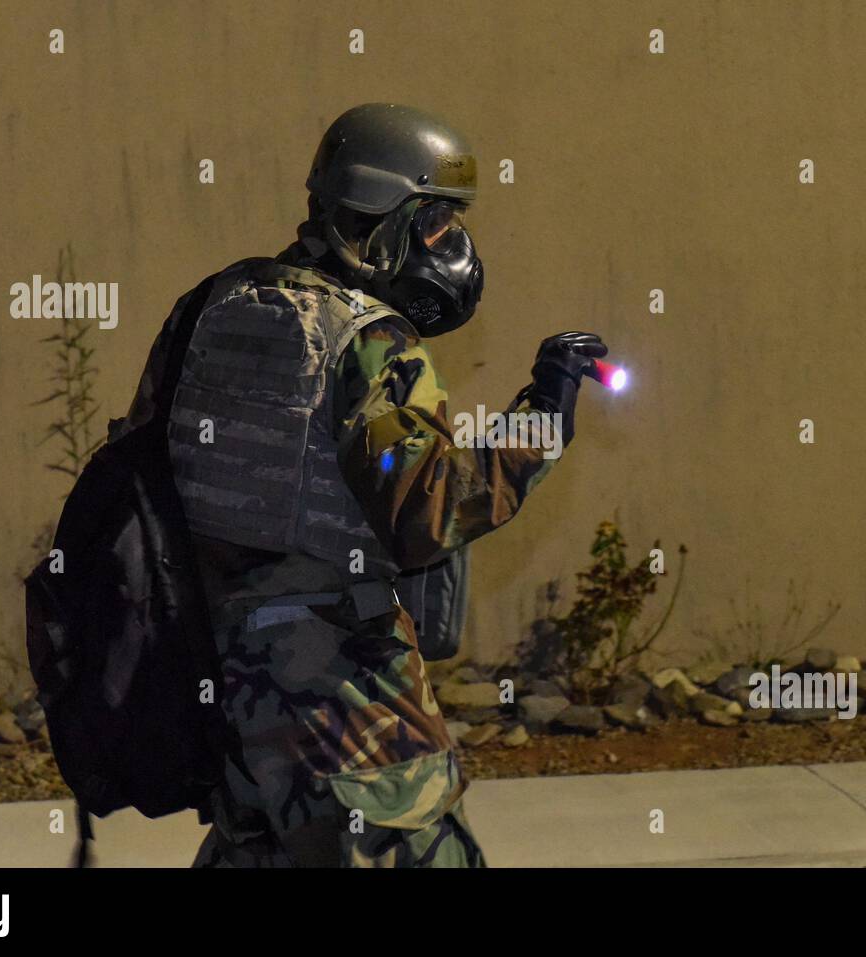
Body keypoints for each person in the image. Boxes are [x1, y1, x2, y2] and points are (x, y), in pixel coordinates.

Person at [122, 103, 607, 867]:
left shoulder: (207, 309)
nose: (453, 246)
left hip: (228, 703)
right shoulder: (366, 340)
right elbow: (428, 511)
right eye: (438, 223)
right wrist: (540, 419)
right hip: (348, 718)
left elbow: (143, 482)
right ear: (381, 217)